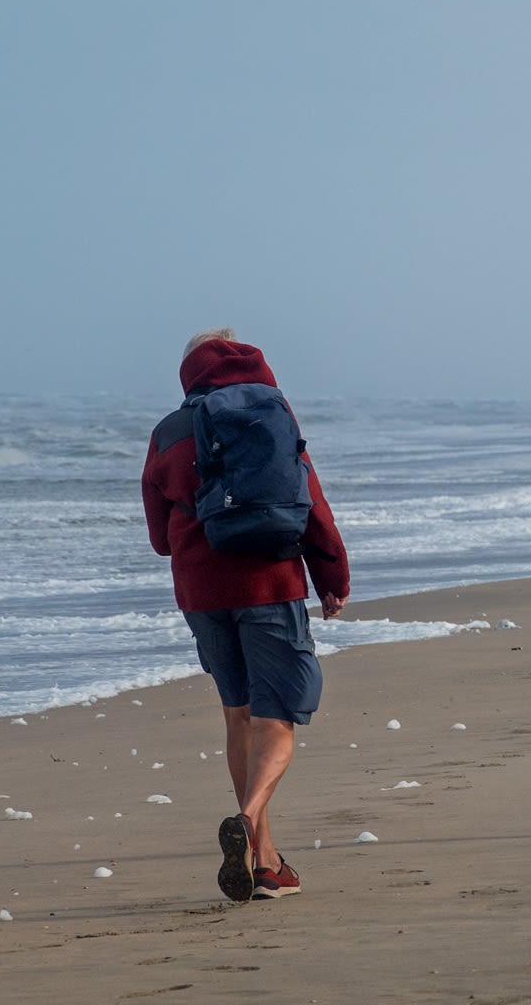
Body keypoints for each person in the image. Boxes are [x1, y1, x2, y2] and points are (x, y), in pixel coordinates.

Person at [141, 328, 350, 903]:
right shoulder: (273, 415)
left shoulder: (167, 432)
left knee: (238, 716)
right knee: (276, 718)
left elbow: (160, 539)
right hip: (270, 583)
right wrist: (333, 580)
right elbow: (312, 506)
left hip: (203, 594)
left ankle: (265, 862)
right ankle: (249, 819)